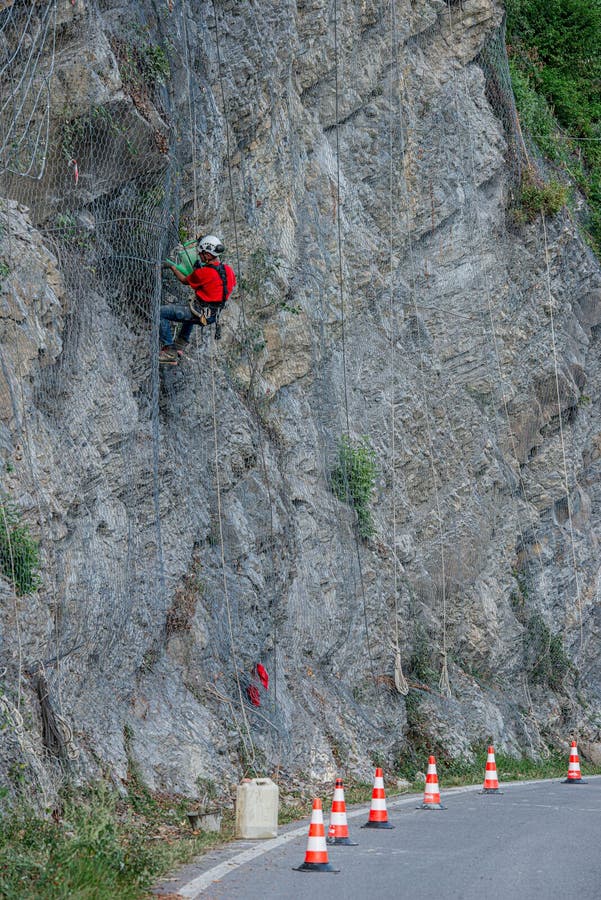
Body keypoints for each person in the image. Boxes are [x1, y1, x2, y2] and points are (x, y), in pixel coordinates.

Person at [159, 234, 236, 365]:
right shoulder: (228, 270)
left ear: (207, 255)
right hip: (212, 315)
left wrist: (172, 267)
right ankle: (180, 344)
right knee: (189, 315)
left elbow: (184, 280)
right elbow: (225, 285)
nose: (199, 255)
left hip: (199, 312)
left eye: (201, 253)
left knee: (160, 312)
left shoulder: (203, 272)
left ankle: (169, 351)